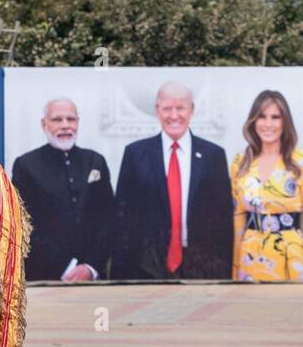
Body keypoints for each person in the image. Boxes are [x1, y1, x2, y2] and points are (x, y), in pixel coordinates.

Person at [114, 81, 233, 280]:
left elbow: (223, 218)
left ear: (192, 110)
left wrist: (223, 269)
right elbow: (122, 216)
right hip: (147, 266)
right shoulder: (135, 153)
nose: (174, 115)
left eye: (180, 108)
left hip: (201, 267)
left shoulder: (213, 155)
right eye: (167, 108)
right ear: (157, 110)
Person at [11, 97, 114, 281]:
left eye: (71, 119)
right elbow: (23, 223)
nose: (65, 125)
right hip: (44, 277)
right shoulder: (26, 165)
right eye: (57, 119)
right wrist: (67, 268)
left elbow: (108, 219)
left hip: (93, 277)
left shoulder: (95, 161)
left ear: (78, 123)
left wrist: (90, 267)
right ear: (44, 124)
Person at [230, 90, 303, 281]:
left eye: (275, 117)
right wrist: (235, 269)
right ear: (253, 121)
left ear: (285, 122)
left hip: (293, 257)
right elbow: (237, 221)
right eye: (262, 117)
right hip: (250, 257)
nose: (268, 124)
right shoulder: (240, 163)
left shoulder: (299, 163)